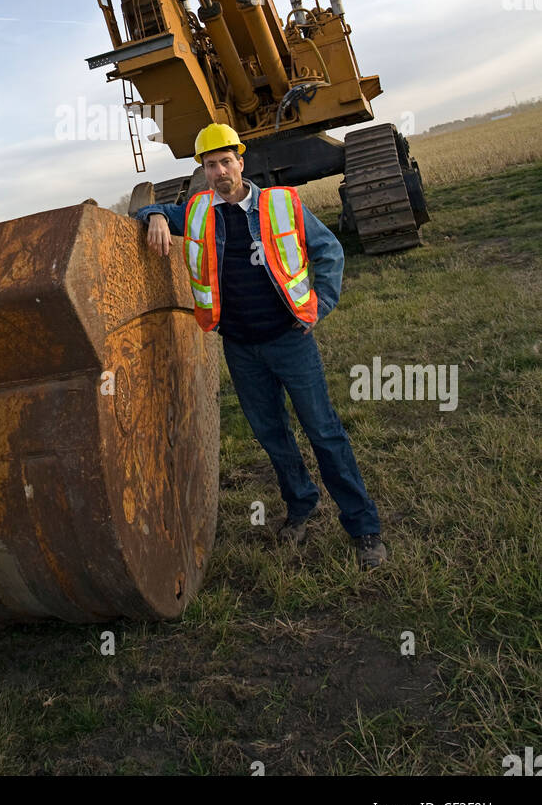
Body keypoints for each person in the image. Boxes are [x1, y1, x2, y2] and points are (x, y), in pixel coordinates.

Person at [134, 122, 386, 569]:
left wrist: (319, 305)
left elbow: (329, 250)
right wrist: (154, 214)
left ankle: (364, 527)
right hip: (241, 348)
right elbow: (152, 210)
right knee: (272, 436)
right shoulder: (196, 212)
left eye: (225, 162)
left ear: (241, 163)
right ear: (204, 172)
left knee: (324, 432)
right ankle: (302, 507)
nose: (219, 171)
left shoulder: (281, 204)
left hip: (290, 341)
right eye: (210, 165)